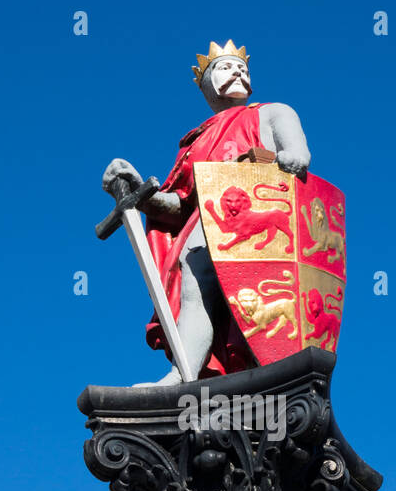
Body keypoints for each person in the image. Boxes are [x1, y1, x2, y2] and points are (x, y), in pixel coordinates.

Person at [102, 41, 311, 384]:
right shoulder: (195, 142)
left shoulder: (273, 112)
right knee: (196, 286)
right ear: (207, 84)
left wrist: (293, 156)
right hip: (209, 221)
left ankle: (269, 370)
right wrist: (139, 192)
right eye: (226, 68)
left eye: (242, 68)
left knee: (257, 298)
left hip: (261, 205)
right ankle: (184, 374)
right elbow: (178, 208)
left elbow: (298, 153)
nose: (238, 73)